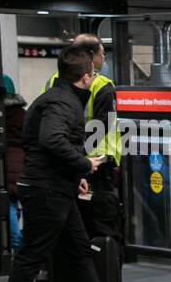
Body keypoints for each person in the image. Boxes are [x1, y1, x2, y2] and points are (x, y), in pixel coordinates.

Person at [0, 47, 143, 282]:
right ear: (87, 77)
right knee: (30, 257)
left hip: (57, 187)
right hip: (46, 191)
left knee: (79, 249)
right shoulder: (63, 102)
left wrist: (74, 178)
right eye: (94, 72)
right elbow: (52, 139)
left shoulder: (58, 97)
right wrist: (84, 164)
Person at [47, 34, 122, 242]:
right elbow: (102, 125)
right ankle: (101, 258)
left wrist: (71, 157)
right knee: (101, 224)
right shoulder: (103, 85)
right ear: (90, 55)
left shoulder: (54, 80)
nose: (104, 58)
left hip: (67, 163)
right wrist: (81, 158)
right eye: (102, 53)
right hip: (97, 165)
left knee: (74, 222)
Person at [1, 76, 28, 254]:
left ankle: (16, 245)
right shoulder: (24, 115)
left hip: (6, 168)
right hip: (24, 167)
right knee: (18, 204)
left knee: (8, 205)